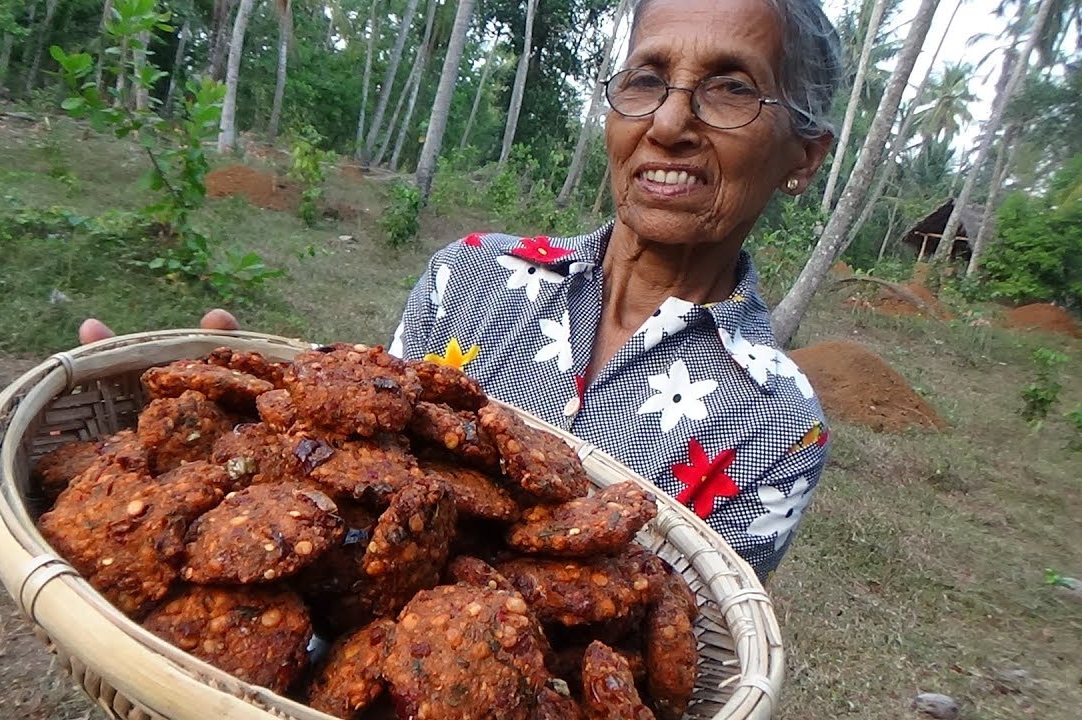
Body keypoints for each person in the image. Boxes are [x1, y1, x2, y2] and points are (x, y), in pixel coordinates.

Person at [81, 0, 842, 580]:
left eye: (731, 89)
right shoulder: (470, 274)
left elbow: (677, 640)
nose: (671, 121)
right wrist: (216, 438)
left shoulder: (777, 427)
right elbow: (364, 468)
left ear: (803, 158)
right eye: (646, 79)